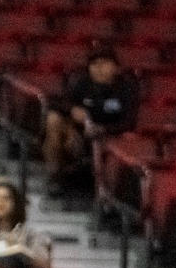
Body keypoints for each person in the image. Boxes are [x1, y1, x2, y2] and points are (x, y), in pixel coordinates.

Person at [44, 45, 140, 184]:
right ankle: (54, 176)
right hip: (81, 136)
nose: (99, 68)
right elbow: (55, 103)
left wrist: (104, 130)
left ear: (116, 67)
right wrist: (72, 110)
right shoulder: (81, 83)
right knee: (54, 119)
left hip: (110, 136)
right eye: (94, 64)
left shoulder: (126, 87)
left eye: (104, 64)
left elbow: (129, 122)